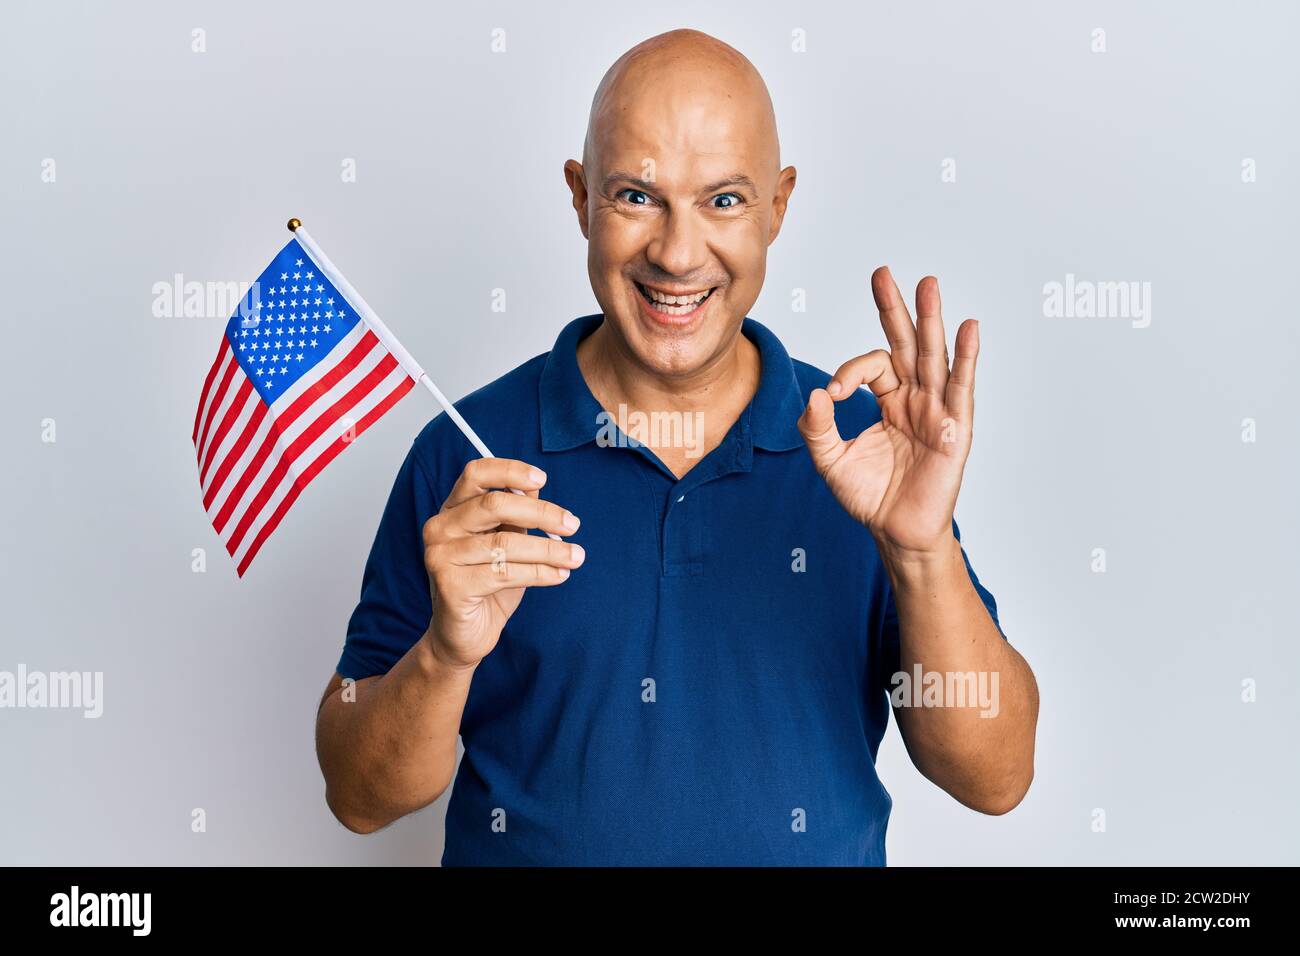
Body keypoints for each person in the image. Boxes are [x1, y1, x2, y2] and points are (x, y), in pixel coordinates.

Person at [315, 28, 1038, 865]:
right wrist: (444, 656)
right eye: (636, 197)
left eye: (724, 200)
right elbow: (358, 797)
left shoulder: (865, 452)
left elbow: (997, 778)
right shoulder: (467, 456)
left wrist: (920, 552)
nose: (677, 252)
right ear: (581, 197)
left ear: (779, 206)